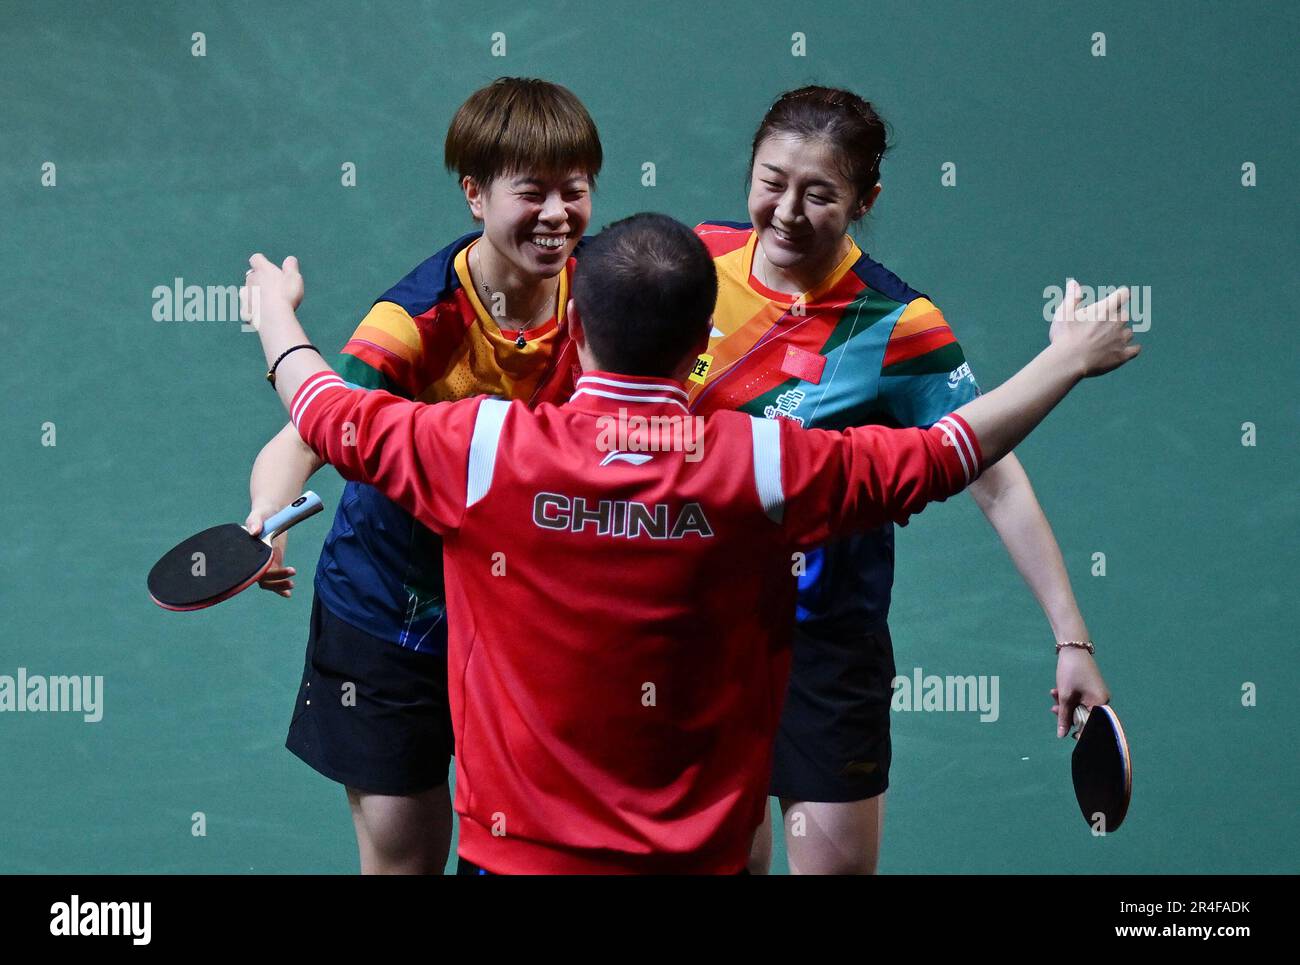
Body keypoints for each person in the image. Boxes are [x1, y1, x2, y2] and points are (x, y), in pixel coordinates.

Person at [237, 212, 1139, 874]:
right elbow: (947, 454)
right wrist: (1064, 360)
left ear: (577, 331)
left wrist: (277, 311)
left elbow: (320, 405)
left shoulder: (481, 450)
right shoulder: (769, 467)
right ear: (702, 341)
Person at [687, 86, 1113, 874]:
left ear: (864, 199)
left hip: (826, 641)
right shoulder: (690, 264)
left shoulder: (896, 322)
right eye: (771, 181)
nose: (786, 211)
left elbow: (995, 478)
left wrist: (1071, 637)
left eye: (819, 194)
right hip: (691, 632)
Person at [242, 77, 599, 873]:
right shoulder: (414, 324)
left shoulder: (603, 294)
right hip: (390, 611)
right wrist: (260, 523)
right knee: (406, 848)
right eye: (530, 192)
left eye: (574, 191)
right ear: (475, 195)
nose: (556, 215)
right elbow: (304, 435)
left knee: (525, 840)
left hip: (522, 612)